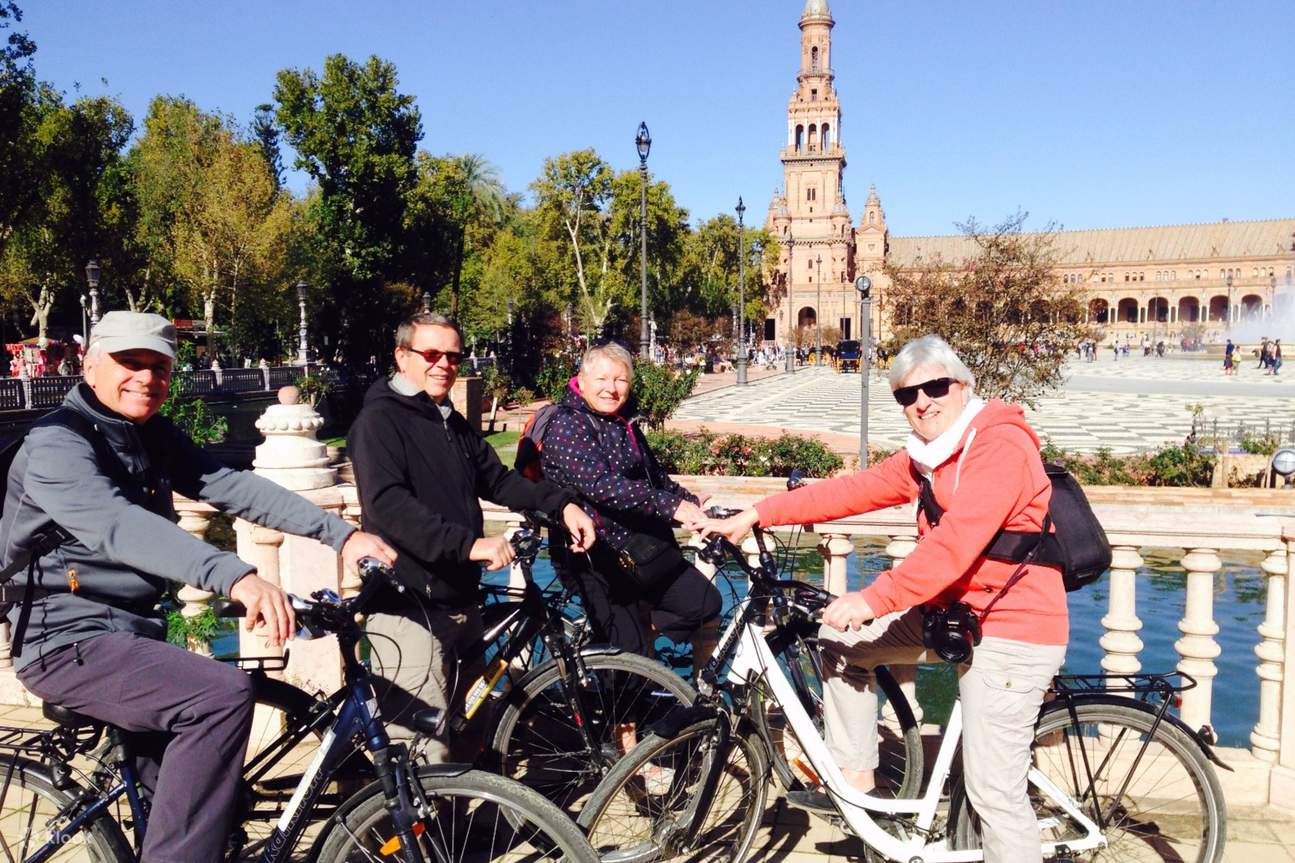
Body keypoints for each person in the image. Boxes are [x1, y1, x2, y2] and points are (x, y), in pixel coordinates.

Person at [1, 311, 396, 863]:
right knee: (219, 696)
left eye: (159, 368)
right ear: (89, 367)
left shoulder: (147, 434)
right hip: (65, 642)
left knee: (217, 804)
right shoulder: (56, 446)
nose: (146, 378)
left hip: (133, 633)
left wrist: (341, 535)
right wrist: (235, 575)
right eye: (129, 363)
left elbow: (230, 487)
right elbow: (116, 524)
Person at [691, 334, 1067, 863]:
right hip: (953, 617)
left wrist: (875, 598)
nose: (923, 402)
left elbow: (957, 545)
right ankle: (858, 782)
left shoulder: (999, 444)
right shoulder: (931, 458)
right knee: (840, 642)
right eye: (907, 396)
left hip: (1012, 627)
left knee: (993, 793)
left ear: (963, 386)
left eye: (935, 387)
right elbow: (852, 490)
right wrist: (758, 513)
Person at [349, 312, 596, 763]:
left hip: (460, 599)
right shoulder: (378, 422)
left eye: (453, 356)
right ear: (402, 357)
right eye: (431, 354)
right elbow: (390, 507)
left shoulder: (448, 420)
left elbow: (499, 481)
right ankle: (415, 836)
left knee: (470, 727)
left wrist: (562, 505)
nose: (444, 364)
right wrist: (470, 545)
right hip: (409, 607)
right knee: (424, 753)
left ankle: (464, 831)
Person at [539, 342, 722, 665]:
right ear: (581, 380)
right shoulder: (569, 424)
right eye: (602, 379)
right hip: (597, 557)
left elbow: (653, 476)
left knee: (704, 602)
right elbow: (601, 486)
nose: (611, 388)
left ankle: (633, 632)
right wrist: (671, 508)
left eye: (620, 380)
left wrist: (688, 501)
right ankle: (619, 677)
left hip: (643, 552)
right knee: (627, 662)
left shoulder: (624, 421)